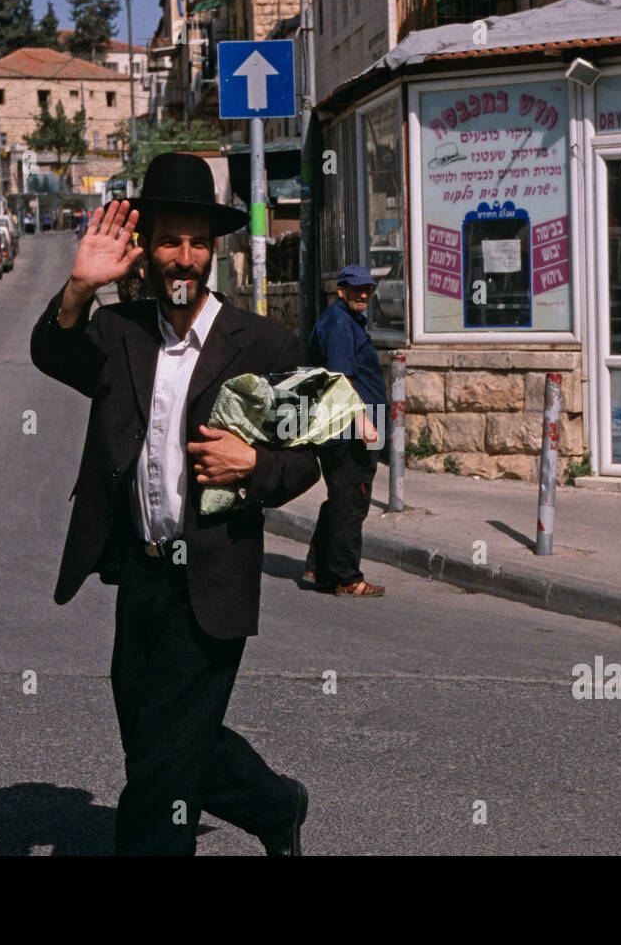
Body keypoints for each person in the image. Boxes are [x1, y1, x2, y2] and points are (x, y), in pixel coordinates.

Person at [30, 152, 320, 856]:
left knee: (158, 782)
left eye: (196, 242)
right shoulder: (119, 333)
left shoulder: (264, 344)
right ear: (148, 251)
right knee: (156, 741)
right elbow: (51, 351)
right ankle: (277, 804)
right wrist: (77, 288)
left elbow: (320, 453)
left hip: (214, 579)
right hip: (143, 576)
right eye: (168, 240)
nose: (183, 257)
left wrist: (255, 465)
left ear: (212, 250)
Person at [302, 265, 388, 598]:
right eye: (355, 289)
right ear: (341, 291)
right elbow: (342, 378)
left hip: (342, 426)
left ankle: (318, 565)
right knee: (351, 500)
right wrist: (363, 420)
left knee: (340, 498)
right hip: (348, 429)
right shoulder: (339, 323)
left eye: (367, 289)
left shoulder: (342, 320)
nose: (362, 294)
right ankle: (346, 577)